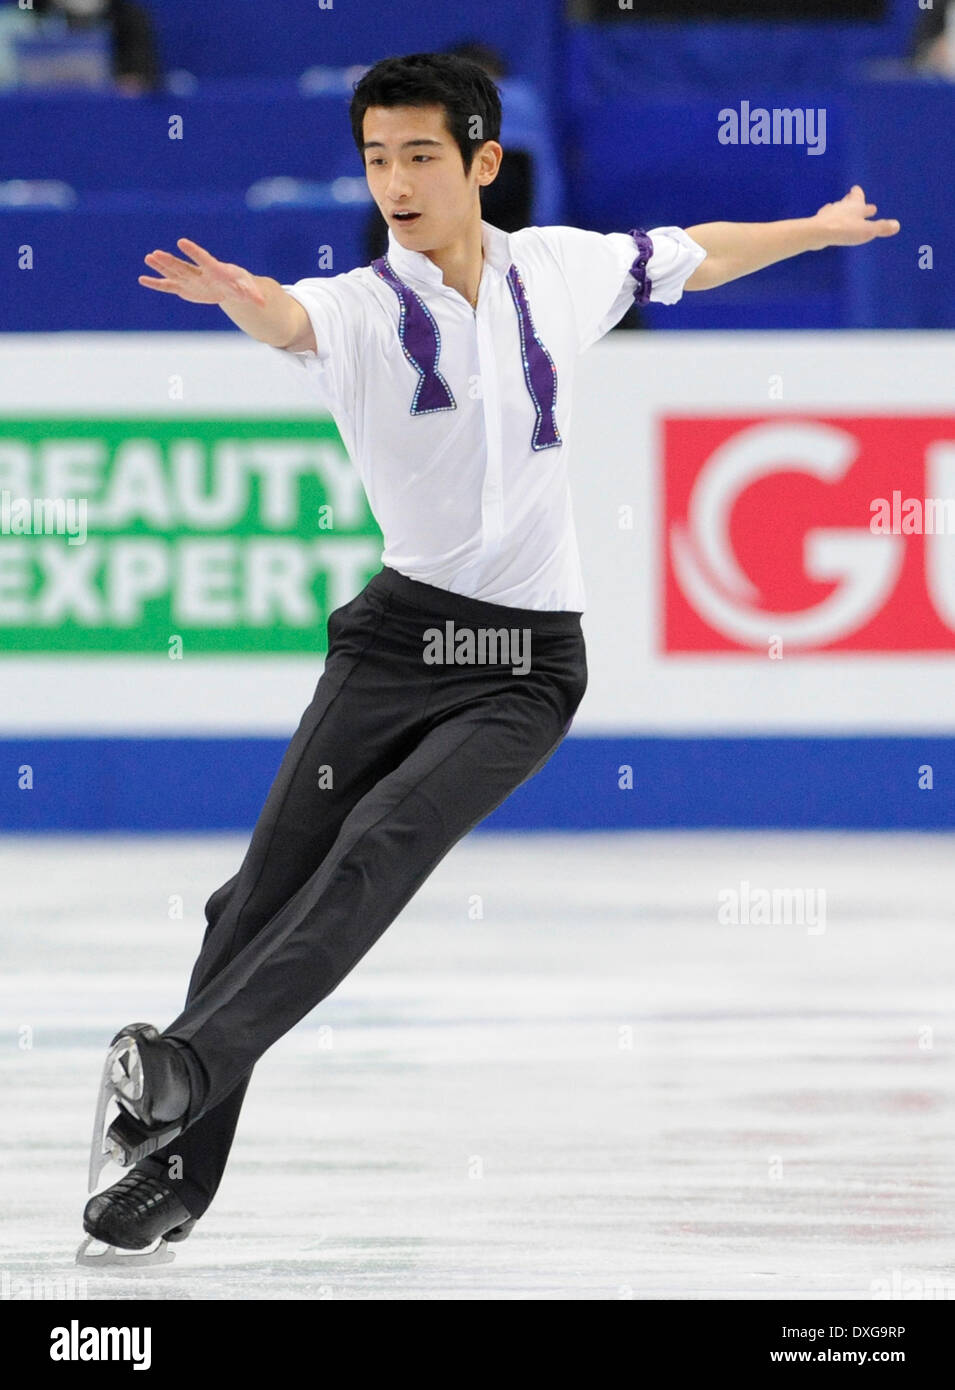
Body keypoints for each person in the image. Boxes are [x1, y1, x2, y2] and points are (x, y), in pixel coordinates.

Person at [78, 50, 900, 1261]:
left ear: (480, 161)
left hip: (524, 667)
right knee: (247, 902)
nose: (397, 181)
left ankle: (184, 1072)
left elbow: (696, 250)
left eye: (419, 155)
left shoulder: (561, 267)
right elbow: (287, 315)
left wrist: (813, 228)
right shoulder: (358, 306)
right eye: (375, 159)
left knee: (379, 848)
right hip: (392, 641)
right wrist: (245, 300)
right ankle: (176, 1177)